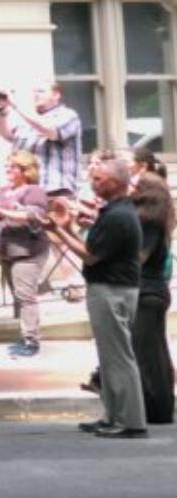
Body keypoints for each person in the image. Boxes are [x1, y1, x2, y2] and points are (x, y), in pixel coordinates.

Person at [44, 153, 147, 438]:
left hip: (112, 290)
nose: (93, 183)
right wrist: (66, 229)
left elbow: (90, 257)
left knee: (119, 358)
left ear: (114, 183)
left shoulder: (118, 216)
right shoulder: (116, 212)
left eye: (98, 179)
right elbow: (94, 251)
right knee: (109, 357)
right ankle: (113, 416)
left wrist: (58, 231)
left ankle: (130, 421)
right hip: (111, 288)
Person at [0, 150, 52, 359]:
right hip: (9, 250)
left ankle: (31, 340)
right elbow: (1, 216)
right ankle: (26, 337)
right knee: (21, 296)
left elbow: (33, 216)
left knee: (25, 296)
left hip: (28, 251)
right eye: (8, 166)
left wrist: (1, 211)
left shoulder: (33, 190)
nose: (8, 170)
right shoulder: (6, 191)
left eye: (13, 166)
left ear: (26, 170)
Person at [129, 173, 174, 426]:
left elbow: (139, 257)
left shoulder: (147, 222)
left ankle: (156, 408)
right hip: (154, 291)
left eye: (136, 186)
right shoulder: (156, 220)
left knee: (147, 354)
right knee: (155, 352)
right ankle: (161, 407)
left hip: (146, 291)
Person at [0, 83, 83, 195]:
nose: (36, 95)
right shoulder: (27, 118)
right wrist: (1, 110)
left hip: (55, 190)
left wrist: (16, 105)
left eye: (41, 91)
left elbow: (50, 131)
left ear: (56, 95)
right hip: (26, 189)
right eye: (34, 92)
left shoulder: (68, 115)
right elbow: (5, 134)